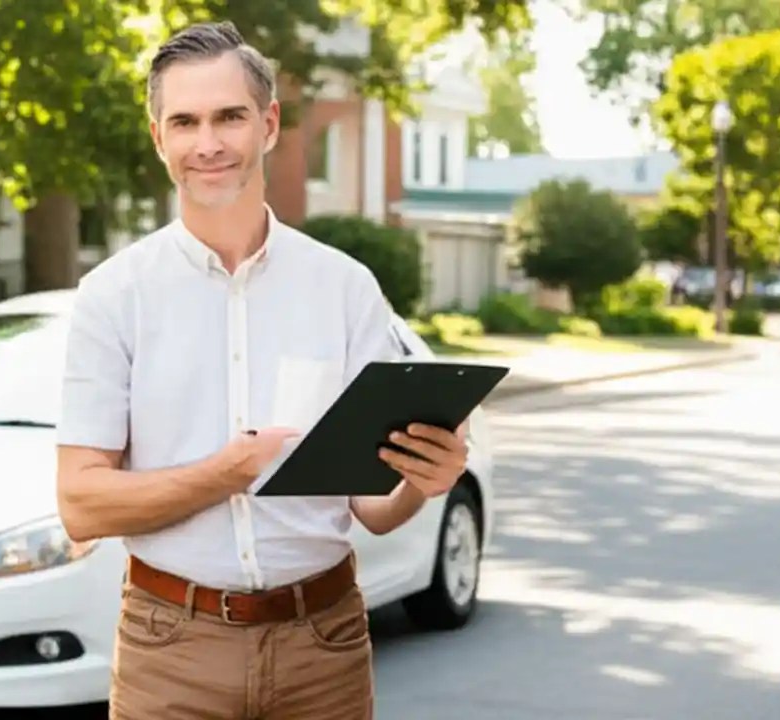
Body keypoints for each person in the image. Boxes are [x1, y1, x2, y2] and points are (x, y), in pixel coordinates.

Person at [55, 20, 470, 720]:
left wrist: (423, 484)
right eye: (184, 121)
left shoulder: (344, 288)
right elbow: (82, 502)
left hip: (324, 645)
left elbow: (371, 508)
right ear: (159, 138)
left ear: (269, 124)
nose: (208, 143)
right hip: (170, 651)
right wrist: (226, 473)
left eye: (230, 117)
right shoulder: (113, 296)